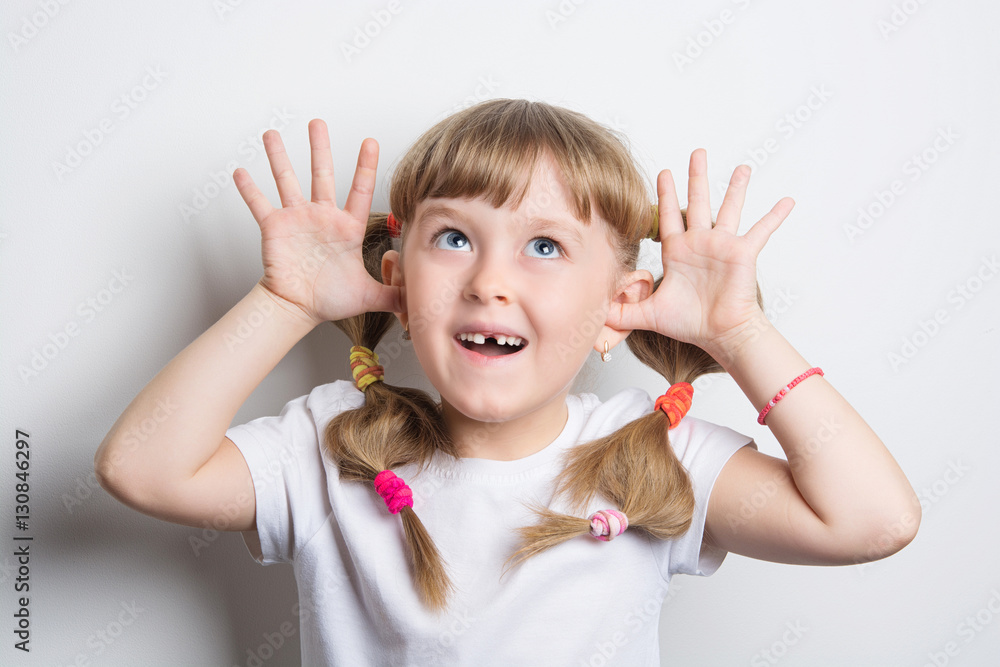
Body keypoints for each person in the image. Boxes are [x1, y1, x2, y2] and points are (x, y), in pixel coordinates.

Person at [95, 99, 920, 665]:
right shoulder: (328, 445)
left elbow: (873, 520)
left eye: (546, 247)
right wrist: (284, 303)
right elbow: (143, 467)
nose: (491, 279)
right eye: (454, 237)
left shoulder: (657, 457)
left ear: (618, 309)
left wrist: (740, 333)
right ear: (398, 286)